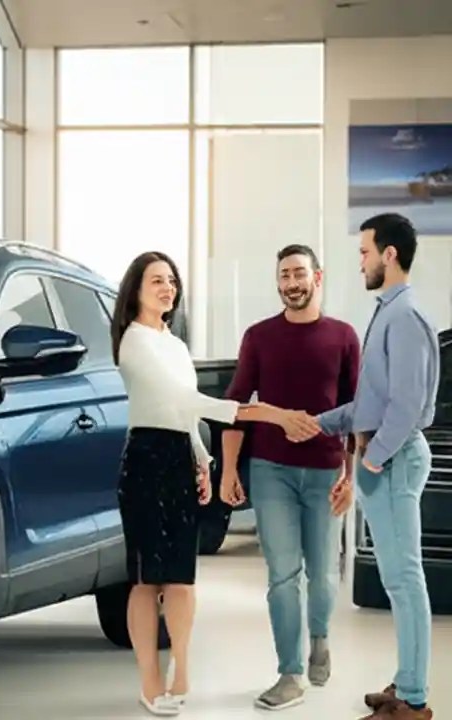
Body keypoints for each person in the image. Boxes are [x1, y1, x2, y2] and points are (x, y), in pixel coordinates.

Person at [109, 250, 317, 716]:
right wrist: (265, 413)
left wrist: (202, 460)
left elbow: (183, 414)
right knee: (147, 579)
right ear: (136, 290)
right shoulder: (135, 342)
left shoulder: (175, 344)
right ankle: (149, 680)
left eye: (172, 281)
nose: (167, 289)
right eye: (157, 281)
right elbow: (185, 398)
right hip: (145, 462)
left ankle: (181, 670)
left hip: (180, 457)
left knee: (182, 577)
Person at [296, 213, 439, 720]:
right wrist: (317, 422)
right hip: (385, 458)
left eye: (364, 252)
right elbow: (369, 403)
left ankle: (415, 701)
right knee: (401, 581)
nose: (360, 261)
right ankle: (406, 683)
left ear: (390, 254)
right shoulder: (387, 312)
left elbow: (405, 406)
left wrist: (372, 462)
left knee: (404, 580)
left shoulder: (404, 318)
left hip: (393, 460)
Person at [219, 244, 361, 710]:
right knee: (283, 574)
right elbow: (236, 404)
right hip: (270, 470)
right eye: (284, 275)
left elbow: (357, 413)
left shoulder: (343, 336)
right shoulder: (258, 336)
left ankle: (319, 636)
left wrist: (350, 476)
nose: (292, 283)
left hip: (325, 471)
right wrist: (228, 471)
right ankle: (290, 672)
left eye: (300, 273)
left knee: (322, 573)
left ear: (317, 278)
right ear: (278, 282)